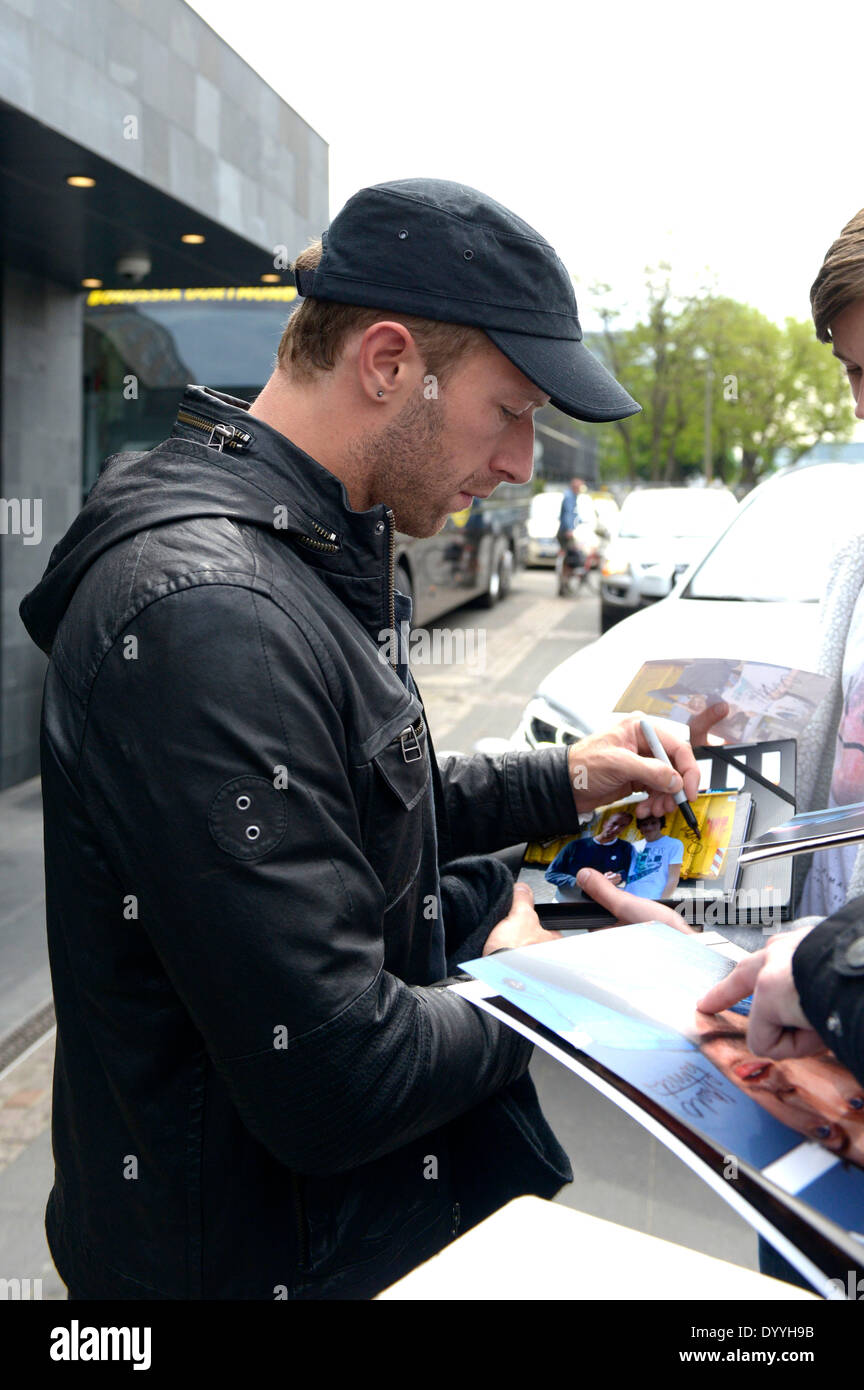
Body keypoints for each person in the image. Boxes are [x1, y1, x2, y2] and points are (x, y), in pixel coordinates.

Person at [20, 177, 708, 1301]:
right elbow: (337, 1076)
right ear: (388, 362)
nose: (526, 462)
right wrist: (551, 980)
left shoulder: (296, 544)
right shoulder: (209, 614)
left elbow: (346, 803)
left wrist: (566, 781)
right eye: (513, 408)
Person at [545, 810, 635, 901]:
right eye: (614, 823)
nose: (616, 829)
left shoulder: (626, 848)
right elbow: (551, 874)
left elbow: (628, 872)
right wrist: (578, 882)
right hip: (565, 900)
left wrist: (619, 876)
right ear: (605, 823)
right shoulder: (575, 846)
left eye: (622, 826)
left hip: (598, 903)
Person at [624, 813, 683, 900]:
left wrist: (662, 901)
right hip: (630, 896)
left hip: (654, 898)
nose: (649, 827)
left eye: (653, 823)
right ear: (639, 827)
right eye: (644, 824)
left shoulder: (674, 844)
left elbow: (673, 878)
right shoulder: (634, 846)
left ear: (661, 824)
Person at [556, 477, 596, 595]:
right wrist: (569, 529)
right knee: (572, 557)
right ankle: (565, 581)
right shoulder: (569, 497)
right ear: (576, 487)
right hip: (565, 532)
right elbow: (568, 514)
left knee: (569, 555)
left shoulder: (571, 496)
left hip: (564, 531)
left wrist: (581, 521)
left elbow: (573, 515)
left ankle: (565, 582)